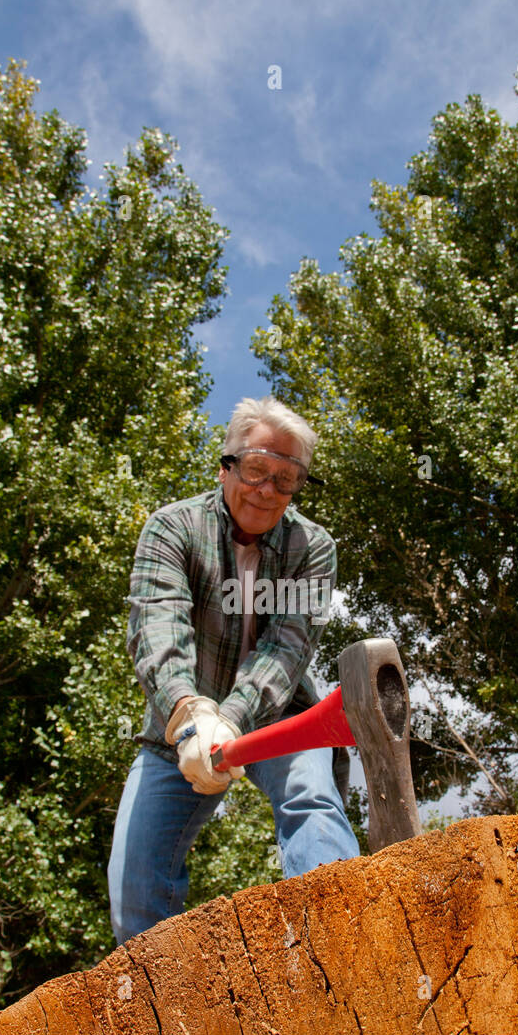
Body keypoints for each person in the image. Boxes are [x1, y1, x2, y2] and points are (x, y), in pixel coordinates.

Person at [107, 395, 360, 942]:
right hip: (181, 725)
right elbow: (157, 628)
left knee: (311, 801)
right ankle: (157, 1014)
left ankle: (341, 951)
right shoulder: (170, 529)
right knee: (134, 880)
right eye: (255, 470)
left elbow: (289, 647)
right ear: (226, 465)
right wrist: (191, 714)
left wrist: (233, 717)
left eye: (286, 478)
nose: (267, 490)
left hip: (279, 717)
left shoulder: (313, 548)